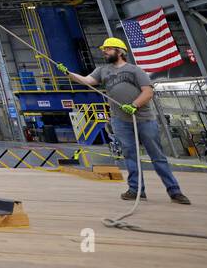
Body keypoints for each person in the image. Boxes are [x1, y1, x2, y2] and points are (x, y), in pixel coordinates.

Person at [60, 37, 191, 205]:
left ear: (120, 52)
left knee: (157, 156)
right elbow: (87, 81)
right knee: (130, 155)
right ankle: (136, 190)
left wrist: (134, 105)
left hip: (143, 119)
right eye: (104, 49)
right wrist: (68, 74)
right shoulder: (102, 71)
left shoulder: (135, 70)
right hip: (120, 121)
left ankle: (175, 192)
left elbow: (148, 92)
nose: (104, 52)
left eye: (108, 49)